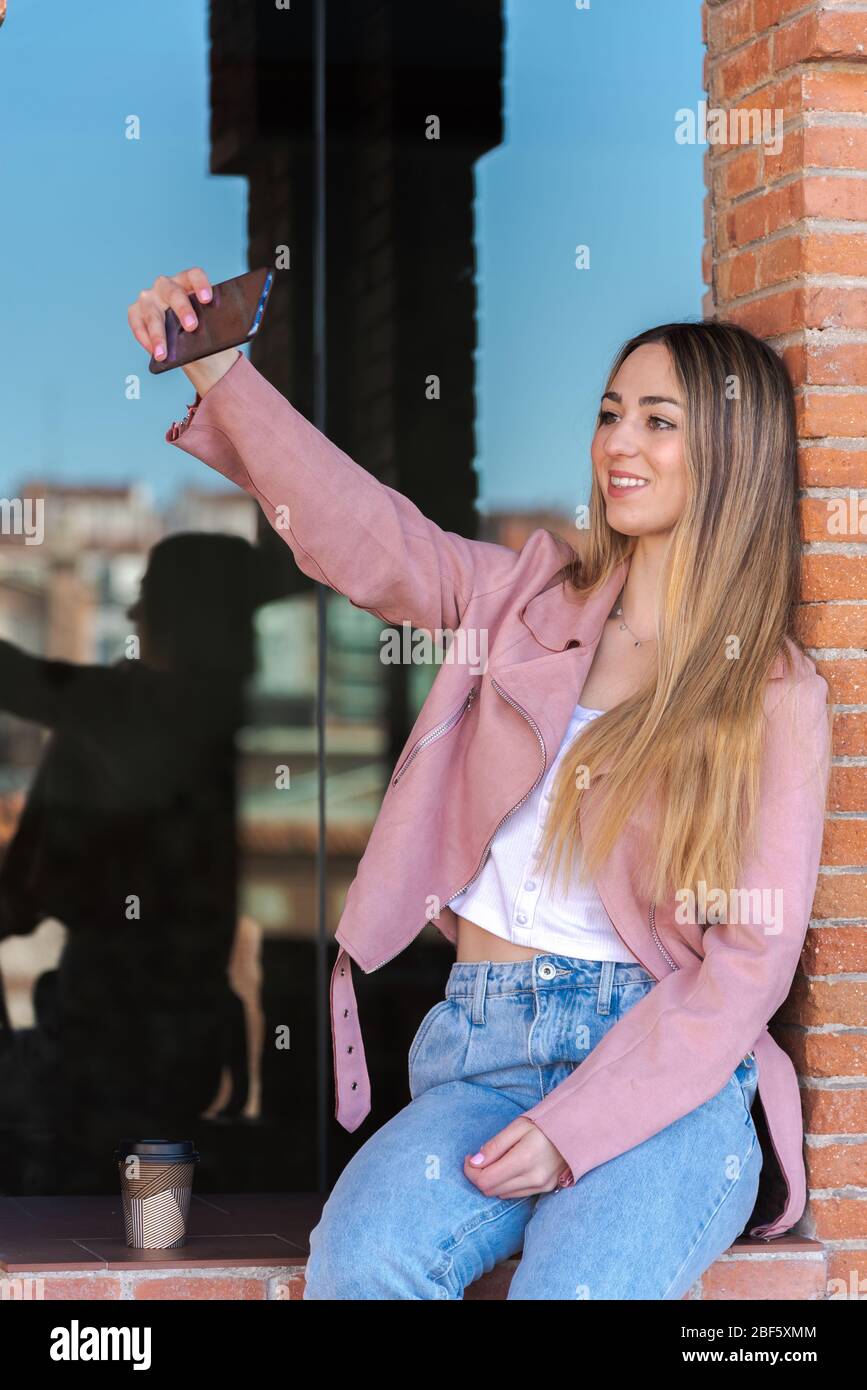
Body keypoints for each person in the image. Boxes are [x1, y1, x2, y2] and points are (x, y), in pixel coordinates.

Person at [128, 269, 833, 1299]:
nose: (618, 443)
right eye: (609, 413)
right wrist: (219, 369)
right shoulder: (518, 601)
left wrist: (576, 1128)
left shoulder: (772, 692)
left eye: (658, 421)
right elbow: (363, 532)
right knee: (361, 1262)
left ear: (734, 451)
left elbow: (748, 969)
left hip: (662, 1079)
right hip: (484, 1050)